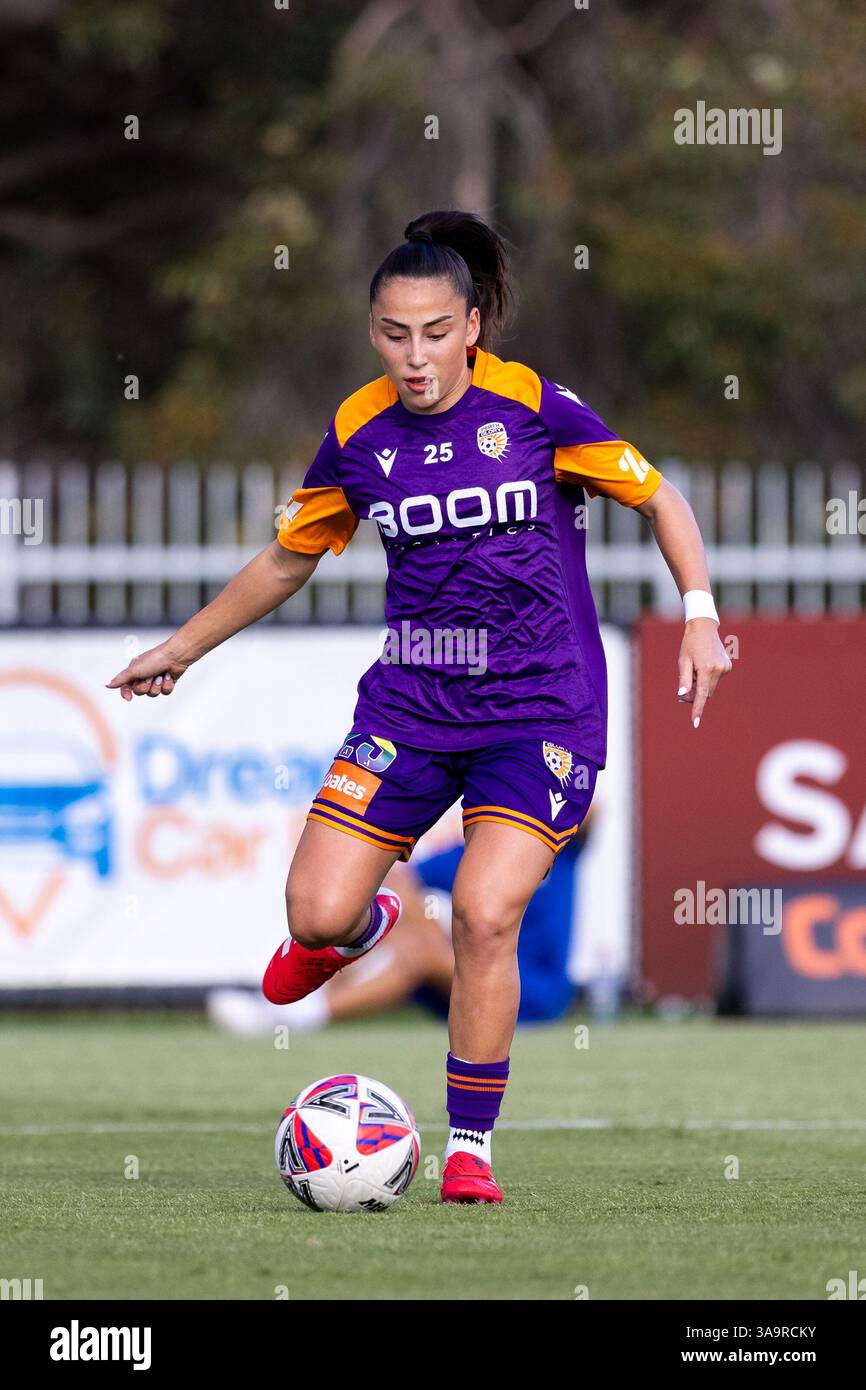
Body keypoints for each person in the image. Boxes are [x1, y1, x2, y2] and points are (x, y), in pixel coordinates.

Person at [107, 209, 731, 1205]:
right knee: (314, 913)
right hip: (411, 701)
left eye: (435, 331)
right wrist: (179, 650)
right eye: (394, 334)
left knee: (484, 914)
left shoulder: (532, 407)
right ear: (372, 332)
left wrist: (696, 612)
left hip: (541, 706)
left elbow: (658, 497)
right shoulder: (357, 431)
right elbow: (286, 557)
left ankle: (469, 1146)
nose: (416, 356)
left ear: (471, 323)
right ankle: (365, 926)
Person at [207, 810, 594, 1037]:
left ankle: (303, 1014)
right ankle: (306, 998)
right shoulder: (469, 852)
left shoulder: (560, 848)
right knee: (391, 908)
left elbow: (591, 808)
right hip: (466, 985)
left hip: (535, 992)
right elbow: (398, 880)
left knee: (420, 947)